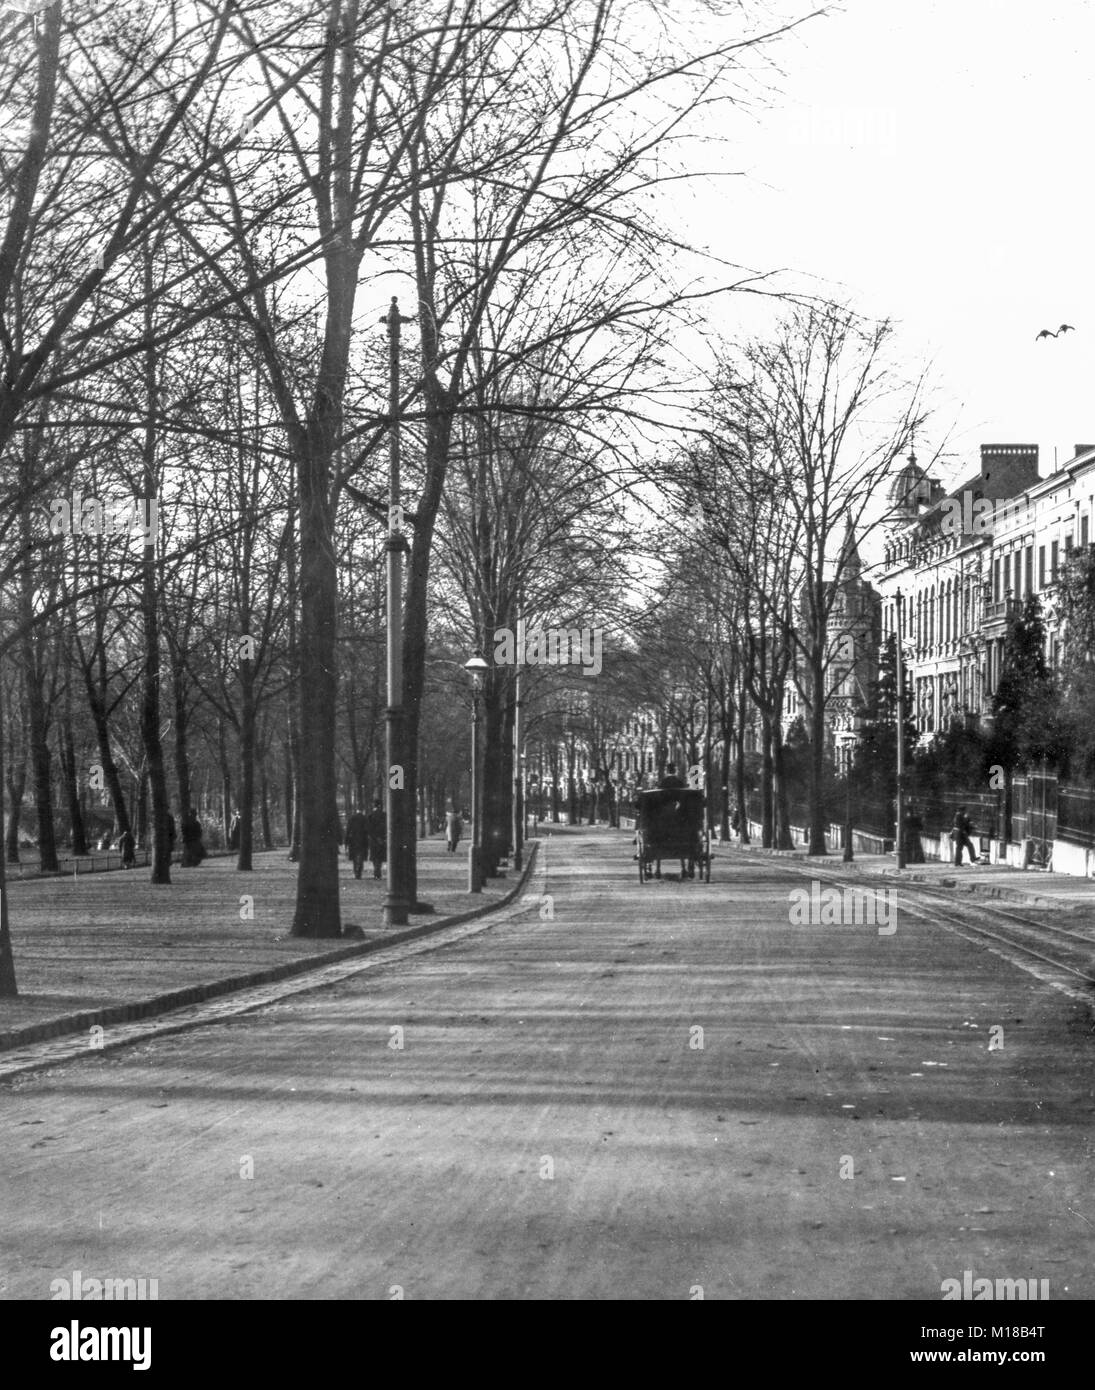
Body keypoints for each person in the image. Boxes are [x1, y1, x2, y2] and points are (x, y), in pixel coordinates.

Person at [345, 805, 369, 879]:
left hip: (353, 841)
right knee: (361, 857)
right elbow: (367, 830)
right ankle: (359, 872)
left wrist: (346, 842)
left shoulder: (352, 818)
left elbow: (348, 831)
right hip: (363, 841)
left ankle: (356, 872)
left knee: (355, 858)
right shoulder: (365, 818)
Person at [365, 798, 387, 879]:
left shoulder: (370, 816)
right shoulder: (384, 815)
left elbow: (368, 829)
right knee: (380, 857)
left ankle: (376, 870)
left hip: (373, 840)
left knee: (375, 857)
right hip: (382, 839)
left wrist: (373, 837)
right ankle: (378, 871)